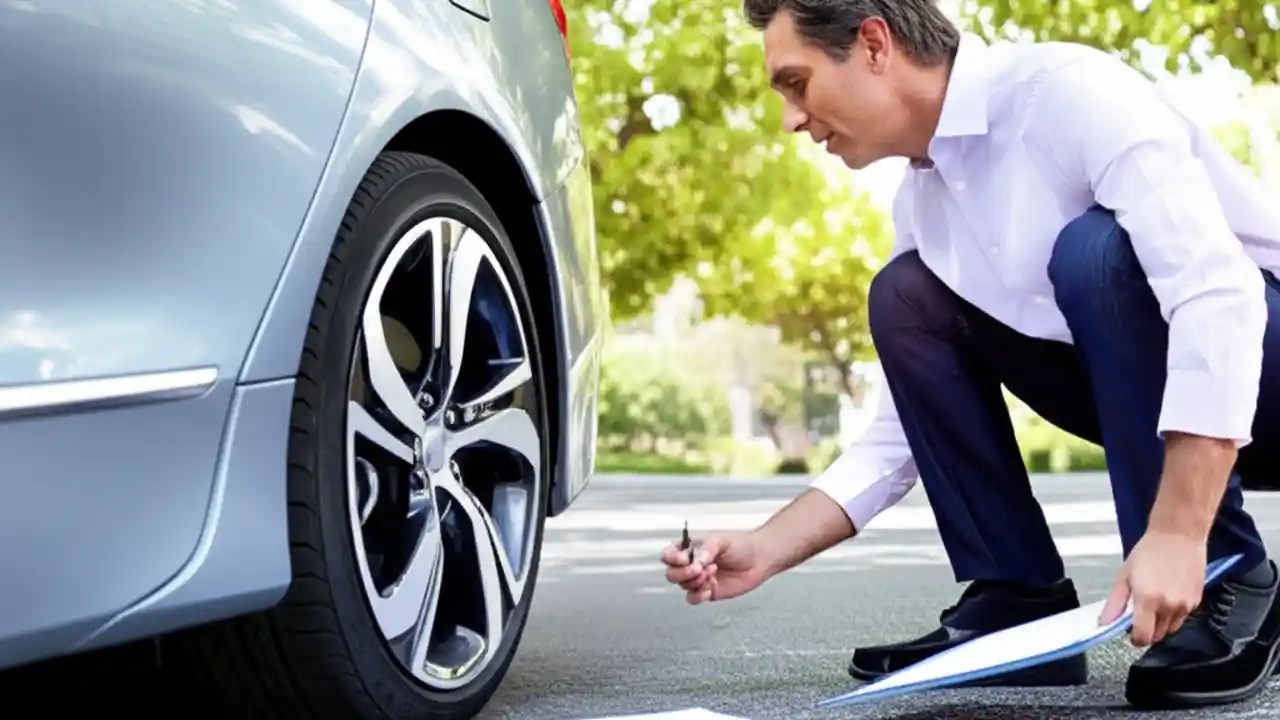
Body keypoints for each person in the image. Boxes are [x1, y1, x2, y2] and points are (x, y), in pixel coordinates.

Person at [659, 0, 1280, 709]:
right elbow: (898, 437)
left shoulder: (1069, 95)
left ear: (872, 44)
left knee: (1095, 254)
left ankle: (1229, 572)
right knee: (906, 295)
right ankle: (1019, 595)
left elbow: (1218, 297)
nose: (791, 119)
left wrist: (1178, 529)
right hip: (1174, 399)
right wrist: (765, 548)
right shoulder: (926, 205)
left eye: (796, 84)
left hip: (1267, 371)